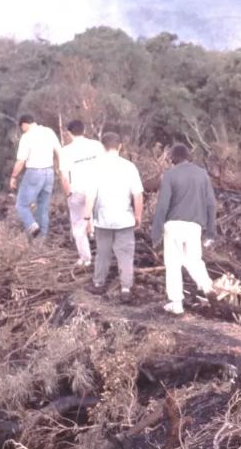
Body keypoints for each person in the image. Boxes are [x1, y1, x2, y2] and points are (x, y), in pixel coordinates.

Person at [150, 143, 218, 315]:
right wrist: (211, 231)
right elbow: (211, 203)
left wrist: (156, 231)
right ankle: (207, 286)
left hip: (173, 225)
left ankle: (176, 303)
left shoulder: (170, 174)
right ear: (189, 157)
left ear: (173, 159)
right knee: (194, 259)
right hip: (194, 225)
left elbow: (163, 205)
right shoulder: (202, 174)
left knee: (173, 264)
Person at [83, 132, 143, 301]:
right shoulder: (129, 167)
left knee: (102, 253)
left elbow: (90, 197)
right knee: (125, 255)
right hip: (124, 219)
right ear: (120, 147)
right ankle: (125, 289)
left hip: (103, 219)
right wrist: (138, 215)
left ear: (103, 147)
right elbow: (138, 195)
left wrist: (87, 219)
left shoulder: (95, 166)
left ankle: (98, 284)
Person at [9, 114, 63, 239]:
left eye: (21, 127)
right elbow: (59, 151)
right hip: (49, 173)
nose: (22, 130)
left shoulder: (27, 137)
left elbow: (21, 161)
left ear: (24, 124)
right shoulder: (48, 132)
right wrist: (60, 168)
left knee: (21, 205)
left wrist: (13, 177)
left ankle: (32, 226)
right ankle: (40, 242)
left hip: (34, 172)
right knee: (43, 208)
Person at [58, 120, 104, 266]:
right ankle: (102, 250)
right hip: (96, 189)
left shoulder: (65, 151)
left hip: (77, 191)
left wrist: (68, 194)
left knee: (78, 226)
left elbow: (64, 176)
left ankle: (85, 258)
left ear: (69, 133)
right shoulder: (96, 146)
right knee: (101, 221)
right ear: (83, 130)